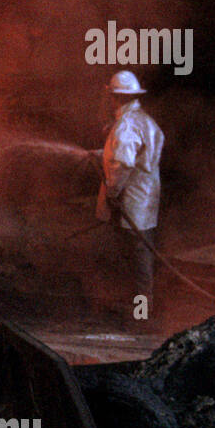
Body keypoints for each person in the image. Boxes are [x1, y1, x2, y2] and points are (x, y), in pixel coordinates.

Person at [96, 70, 165, 314]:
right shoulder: (144, 120)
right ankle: (141, 307)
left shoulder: (126, 125)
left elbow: (123, 163)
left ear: (115, 97)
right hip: (146, 195)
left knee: (135, 256)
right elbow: (136, 153)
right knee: (142, 253)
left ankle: (138, 311)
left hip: (132, 199)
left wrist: (113, 190)